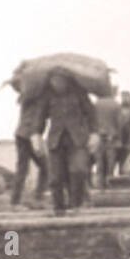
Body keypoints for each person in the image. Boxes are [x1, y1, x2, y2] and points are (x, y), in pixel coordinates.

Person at [40, 69, 96, 214]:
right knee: (55, 177)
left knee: (78, 170)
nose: (56, 84)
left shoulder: (79, 95)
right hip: (55, 140)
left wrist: (94, 134)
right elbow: (39, 117)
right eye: (53, 81)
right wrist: (36, 134)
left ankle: (75, 204)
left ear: (67, 81)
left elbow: (91, 114)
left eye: (59, 81)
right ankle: (58, 208)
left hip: (76, 139)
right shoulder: (48, 97)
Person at [11, 77, 49, 208]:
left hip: (25, 134)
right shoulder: (33, 97)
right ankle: (17, 201)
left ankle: (32, 197)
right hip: (28, 135)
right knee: (29, 168)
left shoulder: (30, 96)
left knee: (36, 167)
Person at [94, 84, 122, 189]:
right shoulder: (116, 105)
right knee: (111, 163)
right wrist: (118, 137)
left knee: (99, 162)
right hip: (111, 137)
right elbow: (119, 124)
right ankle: (110, 184)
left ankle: (99, 185)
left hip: (98, 136)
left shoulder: (97, 103)